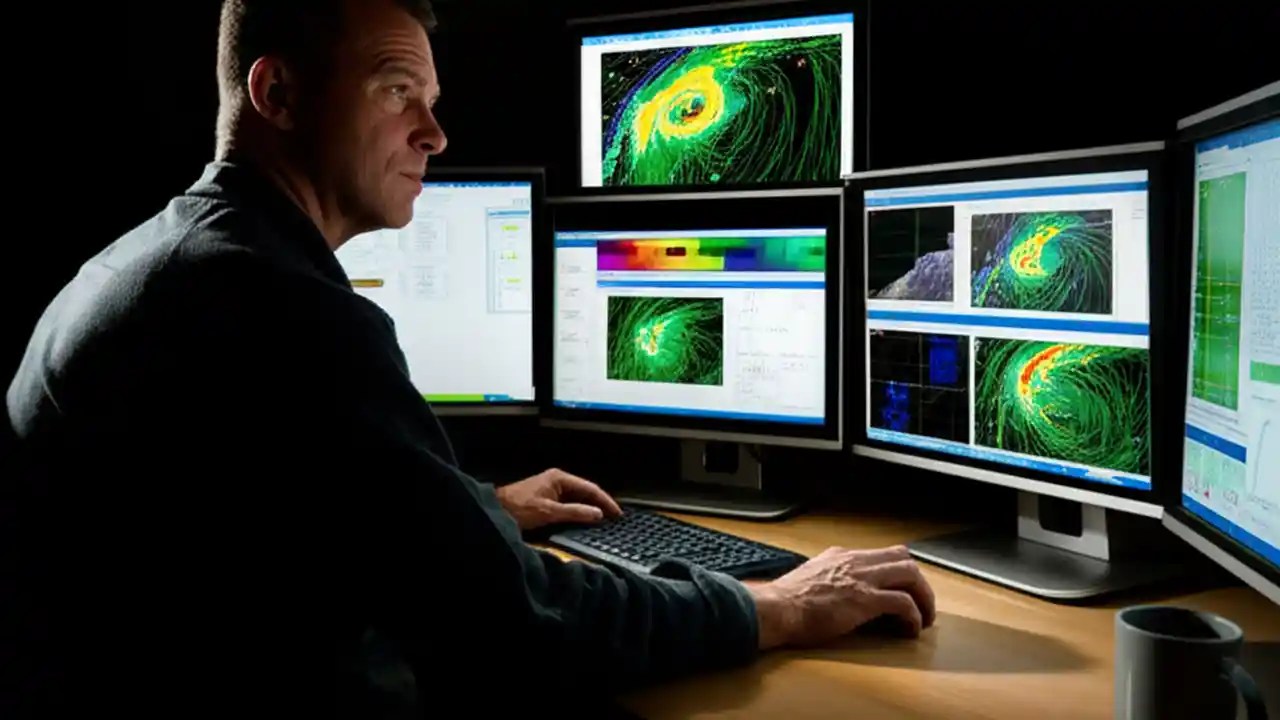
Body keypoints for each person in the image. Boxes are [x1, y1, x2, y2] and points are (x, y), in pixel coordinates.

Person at [6, 0, 936, 717]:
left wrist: (478, 508)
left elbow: (263, 523)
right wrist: (778, 606)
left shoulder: (154, 262)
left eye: (434, 101)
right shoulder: (279, 307)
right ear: (277, 94)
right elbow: (513, 626)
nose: (435, 135)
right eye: (396, 90)